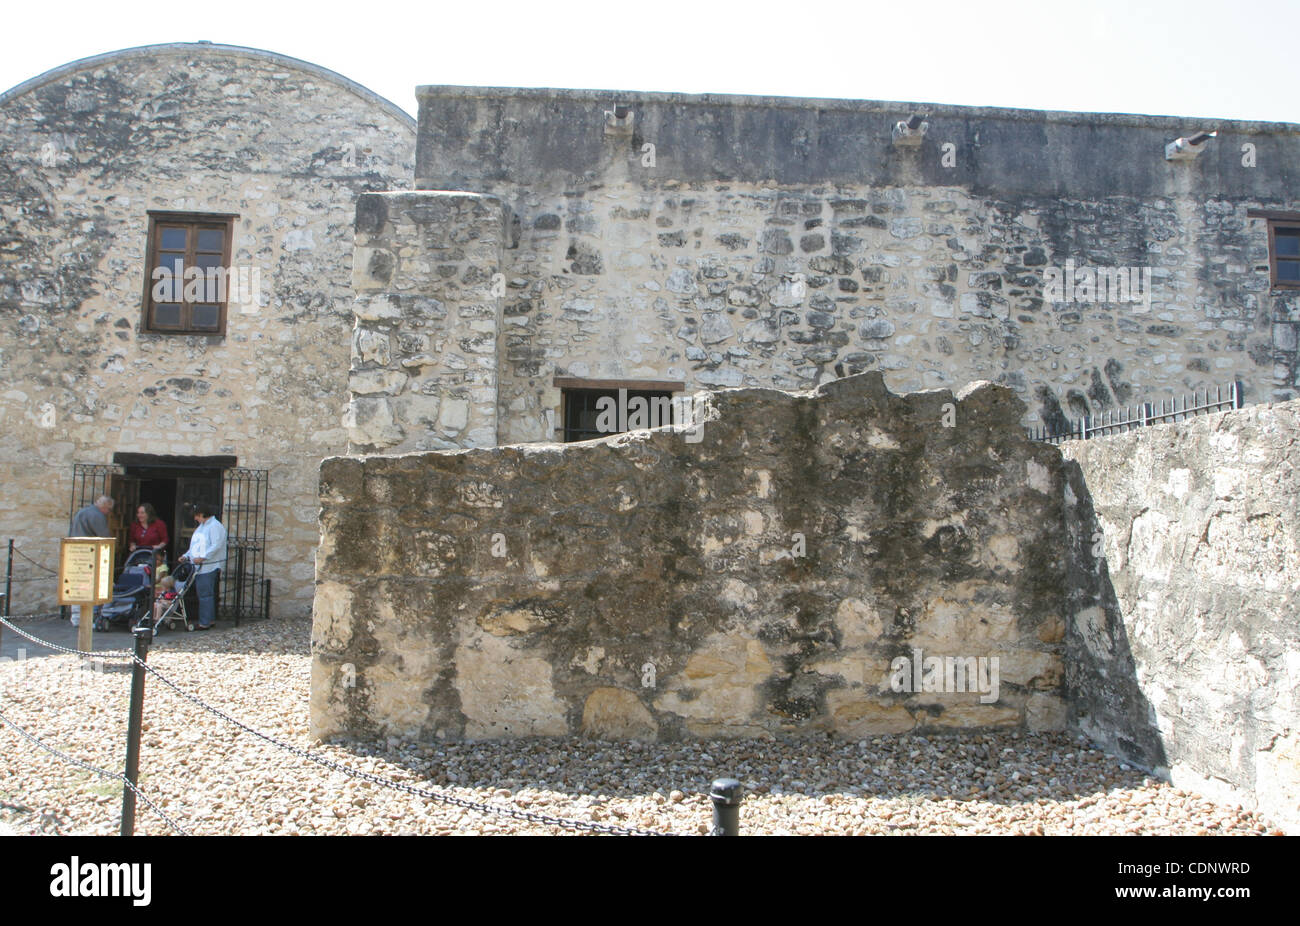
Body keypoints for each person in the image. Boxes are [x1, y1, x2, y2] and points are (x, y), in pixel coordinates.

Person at [67, 495, 113, 628]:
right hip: (88, 555)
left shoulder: (81, 512)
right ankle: (86, 617)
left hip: (75, 553)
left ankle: (76, 617)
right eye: (109, 510)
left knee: (76, 585)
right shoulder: (97, 516)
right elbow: (105, 537)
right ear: (105, 507)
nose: (108, 513)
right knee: (88, 586)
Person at [180, 504, 226, 630]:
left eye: (197, 515)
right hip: (198, 566)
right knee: (203, 594)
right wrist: (186, 555)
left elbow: (216, 545)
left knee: (205, 594)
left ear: (202, 514)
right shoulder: (202, 527)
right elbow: (195, 546)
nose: (195, 518)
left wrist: (203, 557)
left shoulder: (215, 526)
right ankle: (208, 619)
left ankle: (205, 622)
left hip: (208, 566)